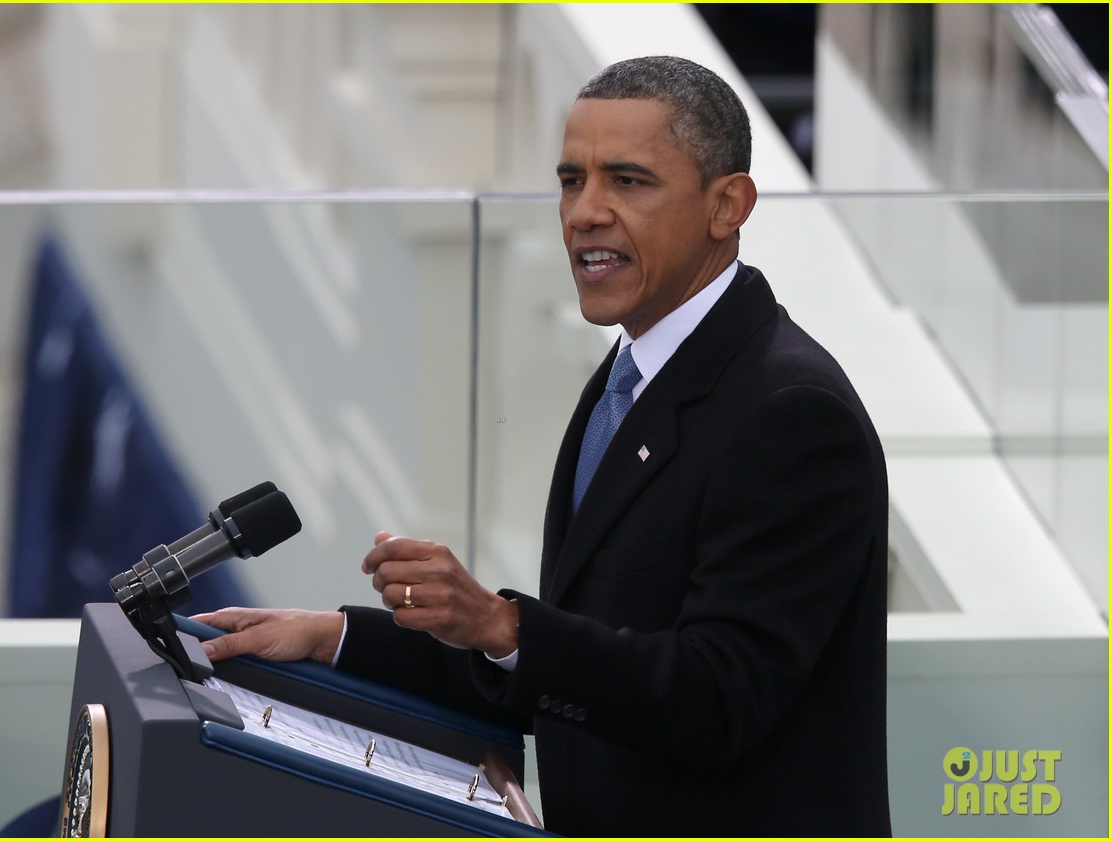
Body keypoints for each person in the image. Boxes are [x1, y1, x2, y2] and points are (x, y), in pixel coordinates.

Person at [193, 55, 891, 836]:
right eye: (571, 180)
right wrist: (339, 638)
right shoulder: (628, 378)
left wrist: (504, 625)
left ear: (728, 205)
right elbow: (583, 659)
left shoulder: (791, 411)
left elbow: (716, 697)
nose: (584, 212)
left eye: (627, 181)